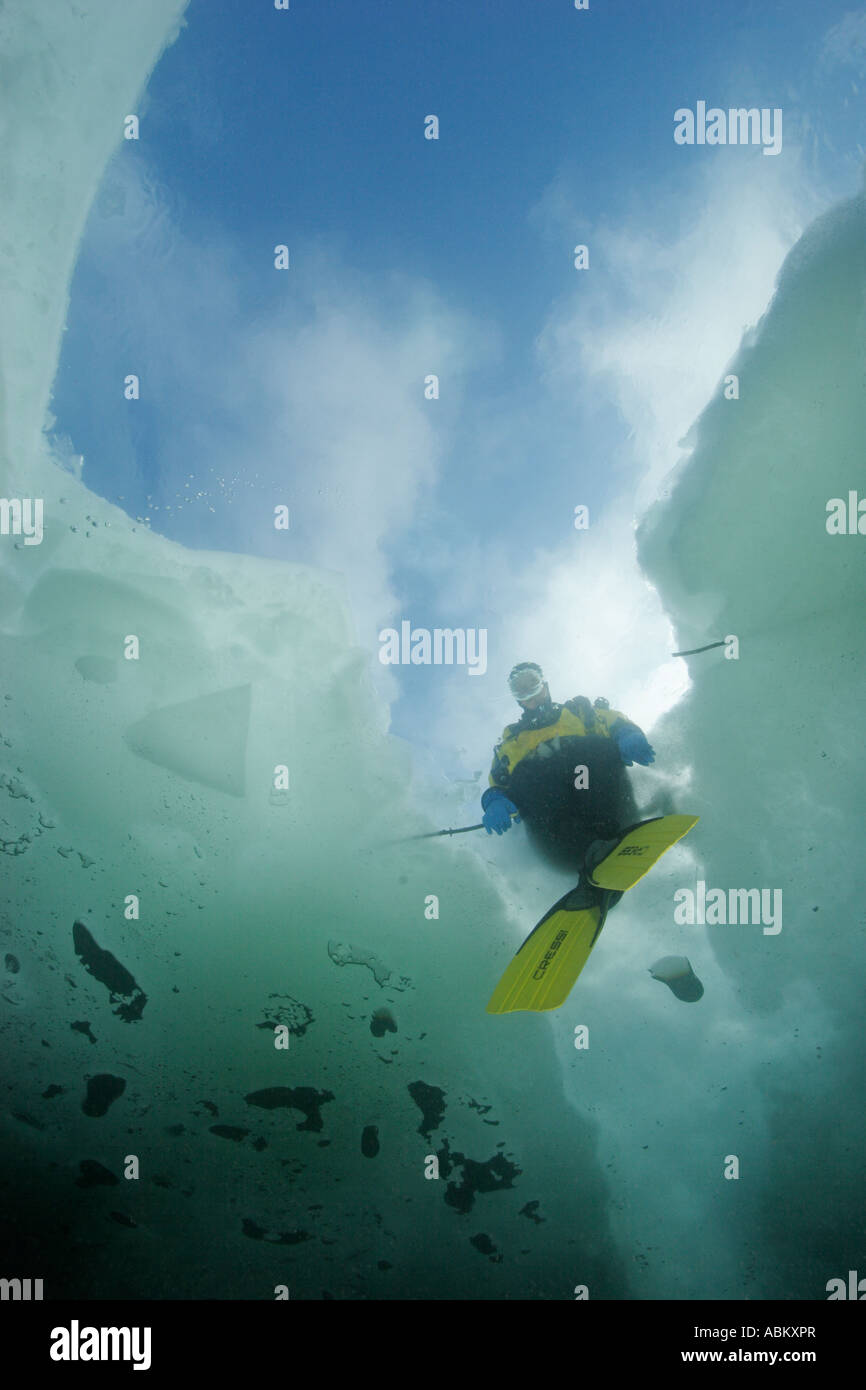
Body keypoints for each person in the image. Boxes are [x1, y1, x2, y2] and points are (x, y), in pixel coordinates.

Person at [481, 661, 656, 878]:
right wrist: (494, 800)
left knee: (588, 749)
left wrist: (626, 734)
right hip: (561, 842)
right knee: (526, 774)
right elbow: (500, 780)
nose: (531, 696)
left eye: (532, 684)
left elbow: (612, 720)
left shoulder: (580, 712)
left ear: (544, 685)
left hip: (610, 809)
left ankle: (611, 836)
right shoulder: (512, 741)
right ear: (517, 699)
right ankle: (586, 858)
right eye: (521, 690)